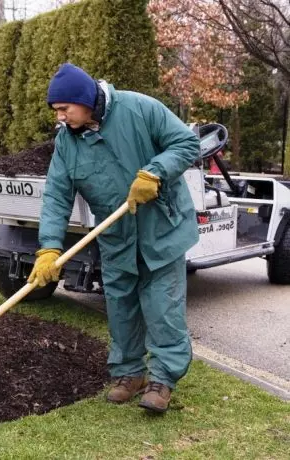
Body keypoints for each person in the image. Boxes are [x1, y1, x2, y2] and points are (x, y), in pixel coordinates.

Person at [28, 63, 200, 413]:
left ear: (85, 100)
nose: (60, 118)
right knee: (121, 305)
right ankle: (129, 374)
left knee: (161, 307)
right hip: (116, 234)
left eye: (64, 109)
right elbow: (57, 196)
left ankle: (162, 380)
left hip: (161, 228)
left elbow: (186, 143)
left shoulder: (140, 108)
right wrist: (48, 247)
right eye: (56, 111)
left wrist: (155, 172)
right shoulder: (67, 142)